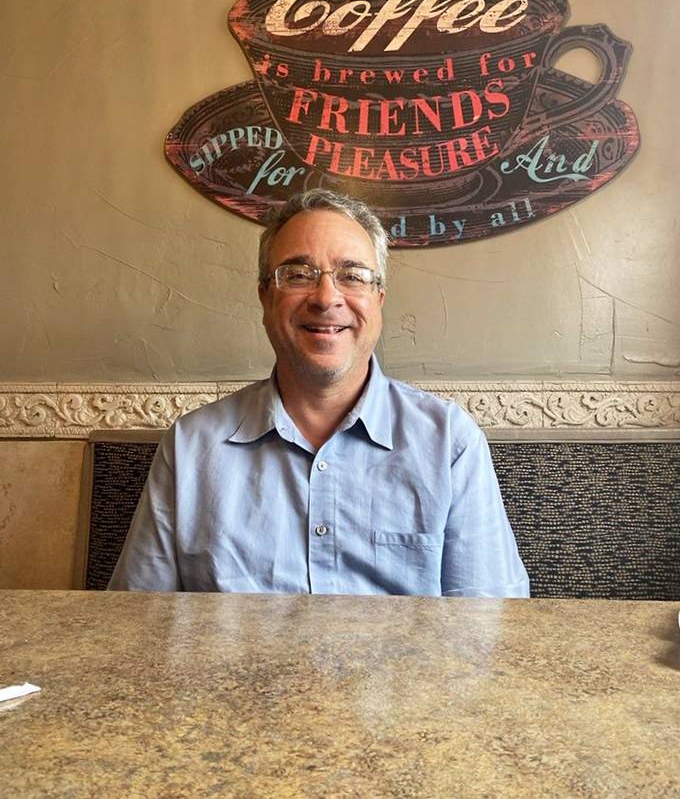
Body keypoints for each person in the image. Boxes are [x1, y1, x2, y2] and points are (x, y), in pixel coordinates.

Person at [109, 189, 529, 596]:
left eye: (352, 276)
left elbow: (487, 630)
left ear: (379, 298)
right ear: (265, 298)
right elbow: (138, 628)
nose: (327, 297)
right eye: (297, 275)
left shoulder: (449, 443)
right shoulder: (190, 447)